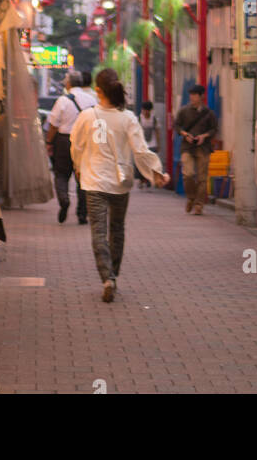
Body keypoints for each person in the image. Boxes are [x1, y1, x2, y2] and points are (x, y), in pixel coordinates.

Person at [70, 68, 170, 302]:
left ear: (98, 90)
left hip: (94, 181)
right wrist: (157, 172)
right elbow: (141, 150)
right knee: (117, 229)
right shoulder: (128, 118)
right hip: (120, 182)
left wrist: (77, 166)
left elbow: (76, 145)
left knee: (98, 231)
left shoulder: (86, 116)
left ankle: (106, 277)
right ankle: (113, 276)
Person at [45, 69, 96, 225]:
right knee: (83, 177)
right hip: (86, 141)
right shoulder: (92, 99)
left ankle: (64, 200)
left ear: (68, 83)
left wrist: (49, 142)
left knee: (61, 174)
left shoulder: (63, 100)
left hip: (64, 141)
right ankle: (82, 214)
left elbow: (53, 125)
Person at [174, 83, 218, 215]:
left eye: (195, 95)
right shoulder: (184, 111)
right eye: (191, 95)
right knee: (187, 174)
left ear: (201, 96)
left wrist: (204, 136)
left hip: (203, 148)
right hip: (187, 146)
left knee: (202, 178)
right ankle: (191, 198)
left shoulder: (209, 113)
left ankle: (199, 204)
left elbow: (214, 129)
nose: (192, 98)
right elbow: (177, 126)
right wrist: (185, 134)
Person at [136, 101, 160, 190]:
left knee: (151, 163)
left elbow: (157, 131)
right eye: (144, 110)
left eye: (147, 110)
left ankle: (149, 180)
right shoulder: (139, 119)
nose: (146, 112)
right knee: (142, 163)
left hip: (152, 144)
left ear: (150, 110)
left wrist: (158, 144)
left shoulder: (154, 119)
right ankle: (142, 180)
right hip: (141, 145)